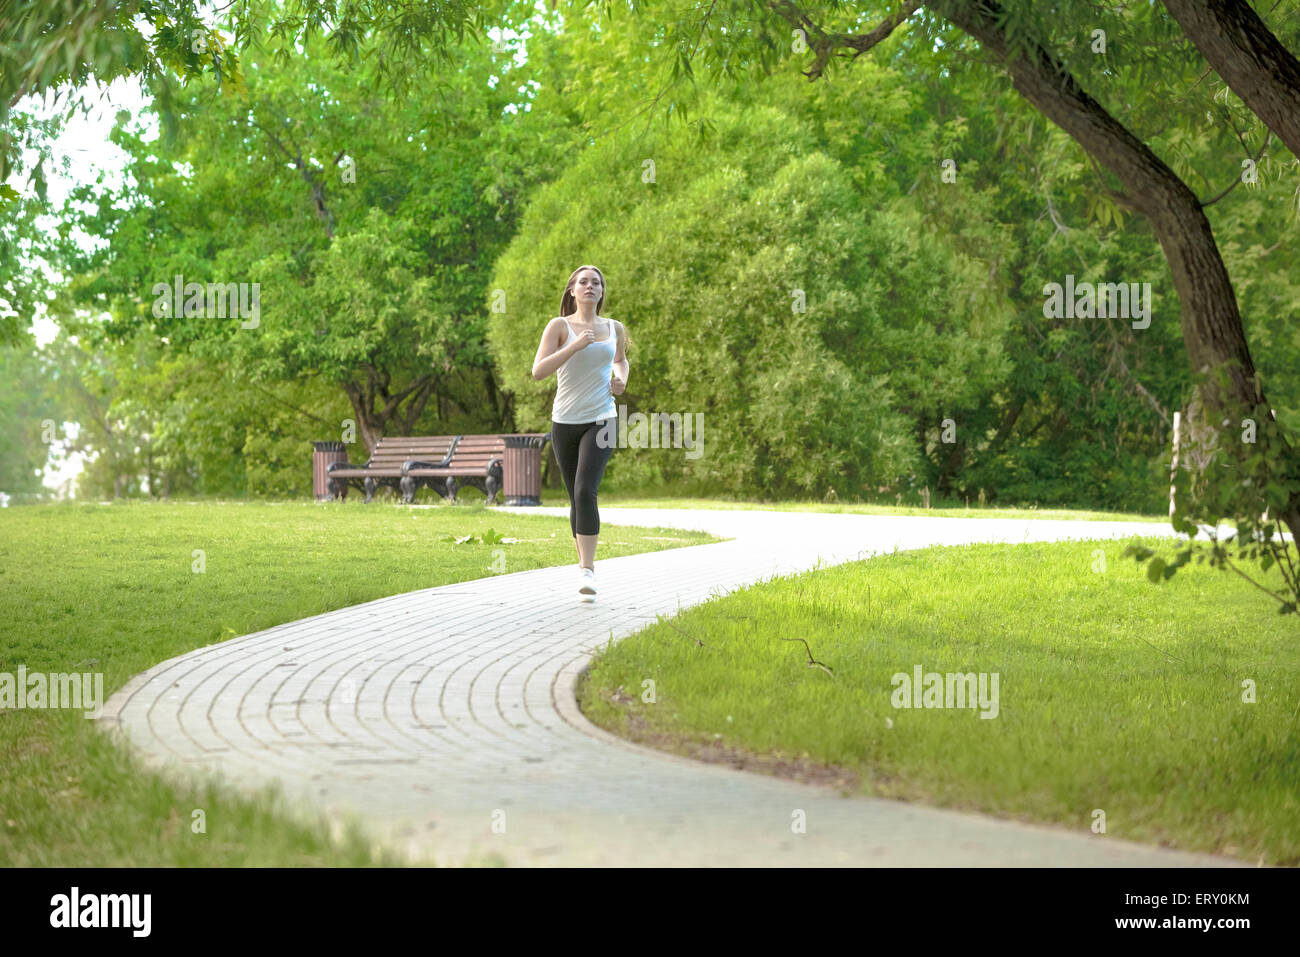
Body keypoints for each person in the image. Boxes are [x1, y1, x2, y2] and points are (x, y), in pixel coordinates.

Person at [530, 265, 628, 602]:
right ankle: (583, 564)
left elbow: (620, 361)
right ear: (572, 290)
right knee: (575, 495)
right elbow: (538, 371)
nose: (590, 286)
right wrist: (574, 347)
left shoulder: (614, 328)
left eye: (596, 282)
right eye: (583, 282)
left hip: (602, 418)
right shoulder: (559, 326)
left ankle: (588, 570)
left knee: (586, 489)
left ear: (601, 291)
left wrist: (621, 379)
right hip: (565, 421)